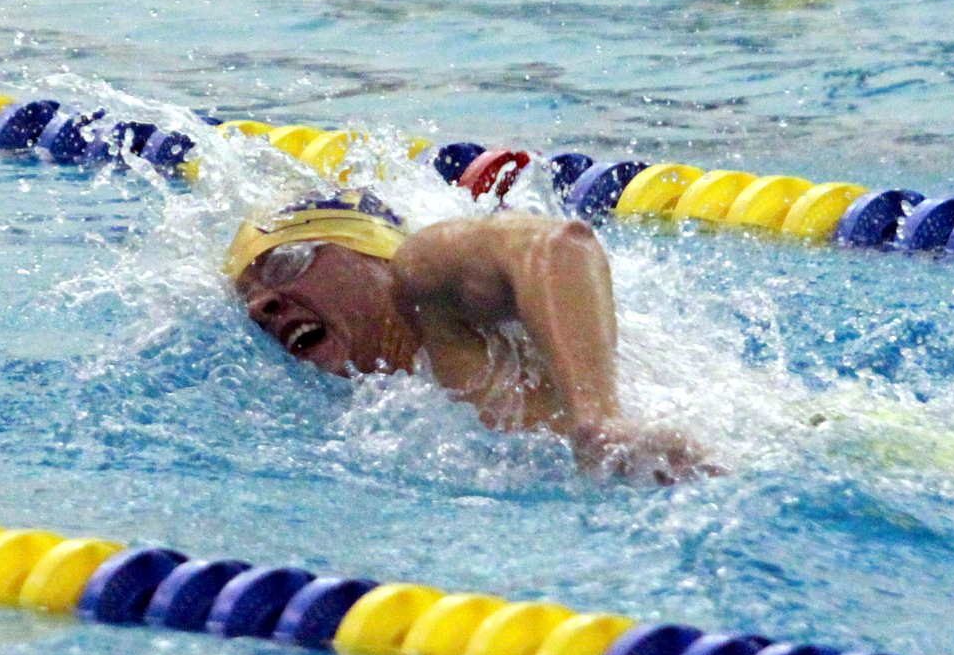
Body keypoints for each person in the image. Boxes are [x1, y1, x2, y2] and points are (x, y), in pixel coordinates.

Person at [226, 189, 716, 484]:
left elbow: (560, 244)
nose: (261, 305)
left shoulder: (419, 277)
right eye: (249, 297)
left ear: (371, 255)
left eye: (287, 263)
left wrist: (600, 421)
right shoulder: (389, 404)